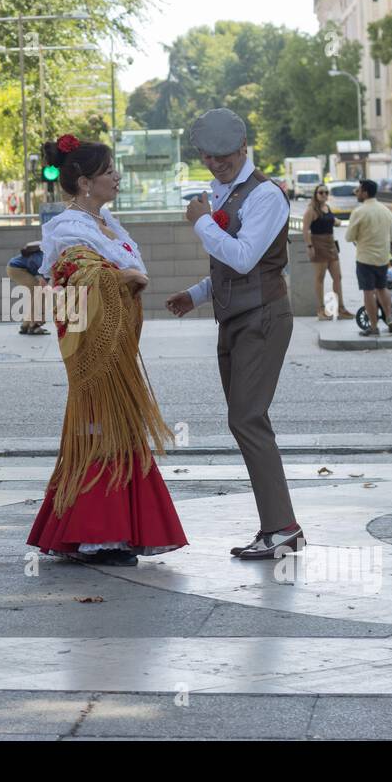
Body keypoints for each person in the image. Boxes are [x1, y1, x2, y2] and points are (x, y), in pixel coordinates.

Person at [28, 134, 186, 567]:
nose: (117, 177)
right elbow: (74, 279)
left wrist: (126, 277)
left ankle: (108, 530)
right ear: (84, 182)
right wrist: (121, 279)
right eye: (108, 171)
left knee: (115, 426)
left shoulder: (105, 223)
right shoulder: (69, 229)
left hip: (119, 349)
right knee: (100, 427)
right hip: (96, 354)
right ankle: (99, 534)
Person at [165, 109, 304, 561]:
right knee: (246, 419)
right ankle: (278, 527)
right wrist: (197, 294)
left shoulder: (266, 195)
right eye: (208, 157)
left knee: (247, 418)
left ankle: (282, 528)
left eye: (224, 157)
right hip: (236, 318)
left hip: (262, 318)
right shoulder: (224, 191)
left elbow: (244, 258)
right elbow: (233, 267)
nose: (216, 164)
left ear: (243, 148)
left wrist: (203, 222)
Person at [346, 179, 392, 337]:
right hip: (383, 257)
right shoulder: (385, 210)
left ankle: (374, 326)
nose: (357, 193)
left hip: (365, 258)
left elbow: (349, 237)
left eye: (359, 190)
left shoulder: (359, 212)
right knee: (382, 288)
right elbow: (391, 237)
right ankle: (389, 317)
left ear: (365, 193)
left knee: (368, 292)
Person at [302, 185, 354, 320]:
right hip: (318, 245)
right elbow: (305, 230)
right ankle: (321, 310)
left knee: (338, 277)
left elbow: (331, 221)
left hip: (331, 244)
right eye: (321, 192)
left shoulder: (327, 207)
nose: (324, 194)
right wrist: (309, 246)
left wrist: (336, 221)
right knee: (320, 278)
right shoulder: (311, 210)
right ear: (315, 194)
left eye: (326, 192)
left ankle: (341, 309)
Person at [7, 242, 48, 335]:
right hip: (16, 269)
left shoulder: (46, 253)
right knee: (39, 292)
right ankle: (34, 325)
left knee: (38, 292)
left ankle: (26, 325)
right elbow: (36, 265)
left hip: (16, 267)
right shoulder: (43, 255)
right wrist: (42, 278)